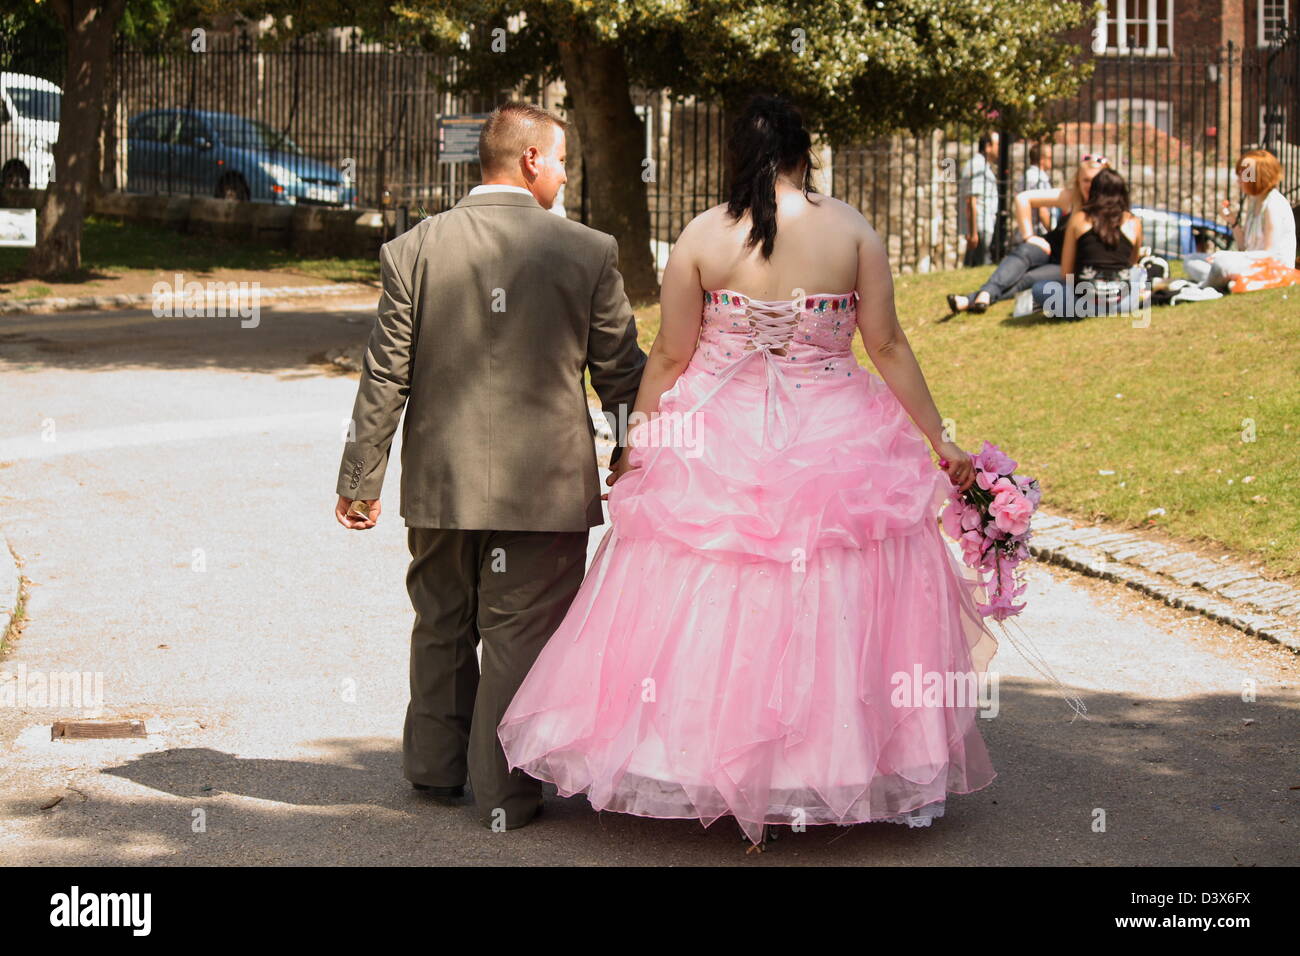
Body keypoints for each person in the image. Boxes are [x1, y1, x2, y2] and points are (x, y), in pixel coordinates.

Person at [498, 94, 999, 848]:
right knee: (839, 591)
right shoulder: (851, 228)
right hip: (833, 422)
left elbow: (668, 353)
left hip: (716, 424)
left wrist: (636, 445)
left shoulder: (703, 233)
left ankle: (687, 757)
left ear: (739, 155)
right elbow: (888, 345)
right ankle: (832, 761)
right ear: (806, 152)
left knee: (707, 591)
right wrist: (940, 440)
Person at [333, 101, 647, 830]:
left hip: (439, 484)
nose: (566, 173)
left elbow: (385, 376)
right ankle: (506, 792)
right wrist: (631, 450)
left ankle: (436, 770)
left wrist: (360, 481)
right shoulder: (587, 252)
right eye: (562, 158)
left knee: (440, 619)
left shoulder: (414, 248)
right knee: (518, 632)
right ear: (531, 159)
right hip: (543, 491)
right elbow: (621, 376)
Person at [947, 153, 1111, 314]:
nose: (1090, 185)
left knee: (1027, 278)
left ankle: (971, 300)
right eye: (1086, 180)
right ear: (1078, 181)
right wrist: (1029, 236)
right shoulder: (1070, 197)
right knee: (1024, 251)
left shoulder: (1110, 208)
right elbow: (1023, 199)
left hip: (1067, 265)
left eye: (1095, 180)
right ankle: (986, 293)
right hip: (1048, 248)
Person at [1028, 166, 1143, 319]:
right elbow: (1132, 263)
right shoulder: (1133, 222)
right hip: (1123, 303)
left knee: (1039, 288)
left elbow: (1066, 272)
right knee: (1138, 272)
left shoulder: (1079, 219)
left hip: (1084, 304)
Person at [1183, 149, 1297, 290]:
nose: (1239, 180)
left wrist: (1225, 256)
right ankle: (1228, 281)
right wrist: (1232, 221)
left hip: (1272, 269)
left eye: (1243, 175)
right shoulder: (1255, 202)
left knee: (1221, 263)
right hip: (1251, 264)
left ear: (1258, 176)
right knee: (1191, 260)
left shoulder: (1273, 204)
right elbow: (1244, 248)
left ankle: (1206, 286)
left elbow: (1270, 256)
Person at [957, 131, 1000, 266]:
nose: (999, 148)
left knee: (973, 266)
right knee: (979, 265)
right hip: (980, 227)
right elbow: (971, 200)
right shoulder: (978, 166)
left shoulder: (981, 165)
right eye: (997, 144)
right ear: (988, 146)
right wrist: (973, 232)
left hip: (981, 226)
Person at [1015, 142, 1056, 243]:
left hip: (1027, 232)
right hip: (1038, 233)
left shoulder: (1025, 176)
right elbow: (1042, 210)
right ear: (1042, 159)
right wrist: (1053, 232)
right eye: (1050, 158)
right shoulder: (1038, 178)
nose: (1052, 161)